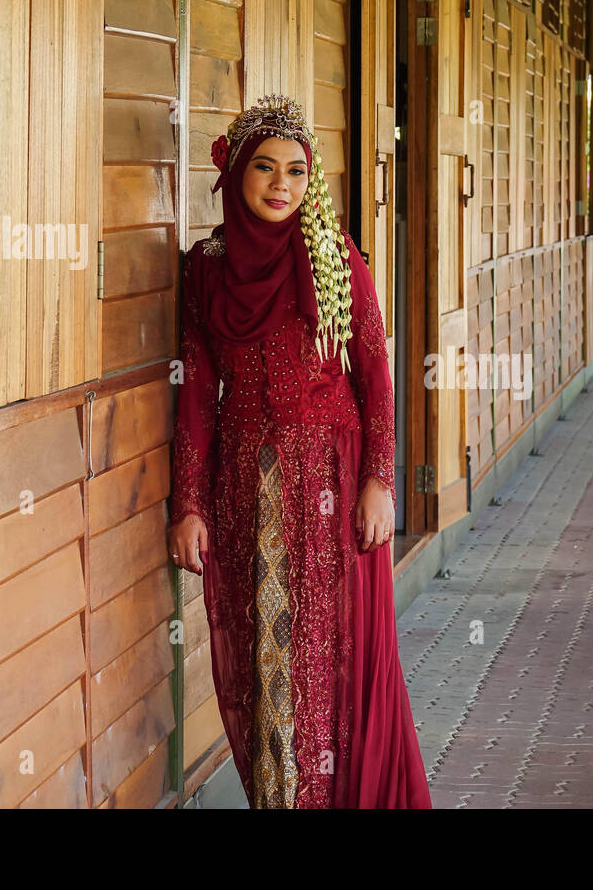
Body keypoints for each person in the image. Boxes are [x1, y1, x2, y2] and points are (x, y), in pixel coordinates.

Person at [166, 93, 431, 809]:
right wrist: (187, 505)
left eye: (296, 171)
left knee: (333, 655)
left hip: (333, 485)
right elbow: (194, 392)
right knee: (264, 659)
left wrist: (381, 480)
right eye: (264, 168)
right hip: (244, 488)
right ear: (234, 175)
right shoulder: (205, 269)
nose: (281, 184)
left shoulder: (332, 255)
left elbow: (375, 373)